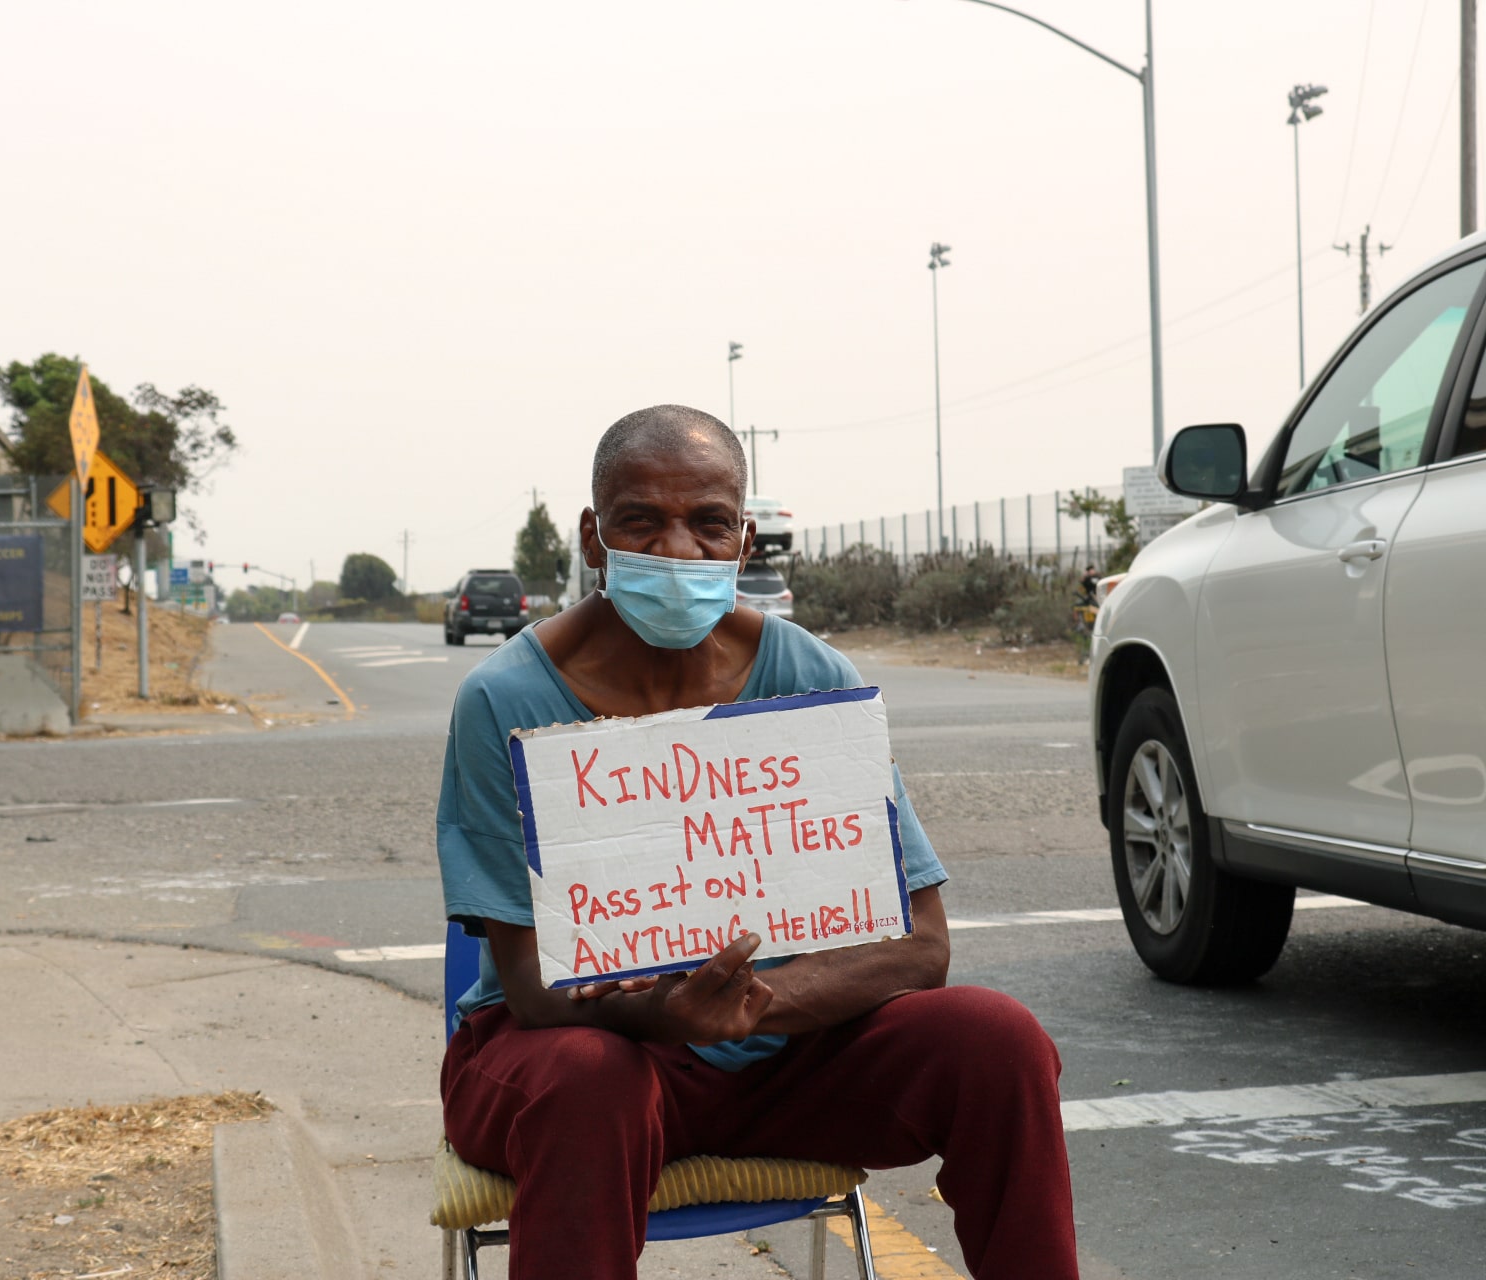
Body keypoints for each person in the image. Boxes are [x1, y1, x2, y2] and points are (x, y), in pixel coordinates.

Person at [436, 405, 1077, 1280]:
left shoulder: (810, 680)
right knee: (591, 1080)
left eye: (708, 523)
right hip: (587, 1068)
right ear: (593, 536)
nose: (678, 552)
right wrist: (662, 1017)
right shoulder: (505, 700)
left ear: (744, 541)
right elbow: (535, 987)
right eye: (641, 521)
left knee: (996, 1039)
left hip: (787, 1063)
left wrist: (758, 1006)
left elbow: (921, 947)